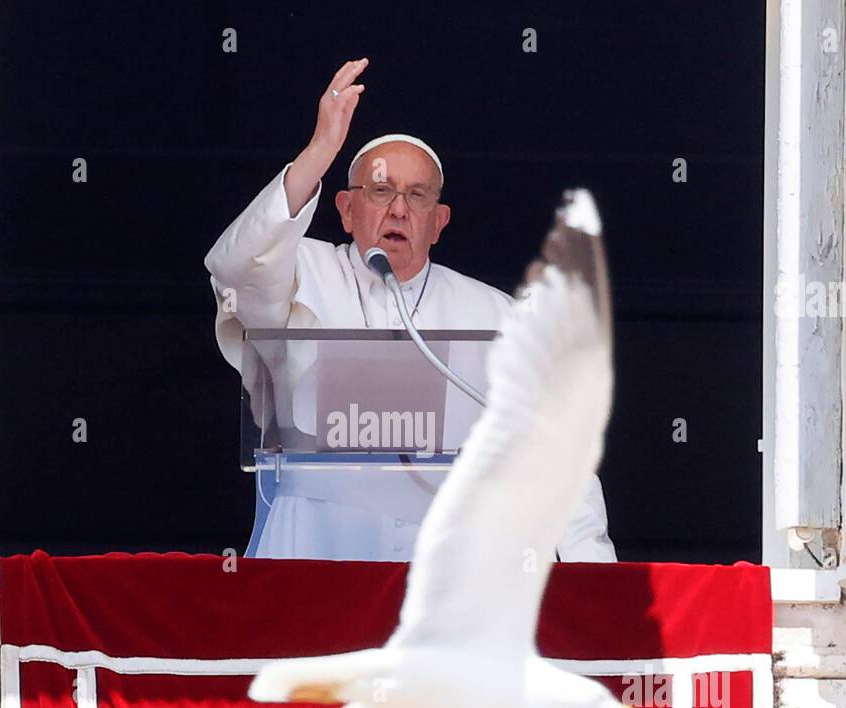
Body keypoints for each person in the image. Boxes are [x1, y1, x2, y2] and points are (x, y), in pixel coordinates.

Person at [205, 58, 616, 562]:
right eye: (380, 191)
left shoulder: (497, 315)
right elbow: (236, 266)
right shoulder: (301, 271)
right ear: (346, 210)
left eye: (416, 196)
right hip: (316, 545)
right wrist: (320, 150)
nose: (399, 209)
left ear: (439, 222)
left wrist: (592, 578)